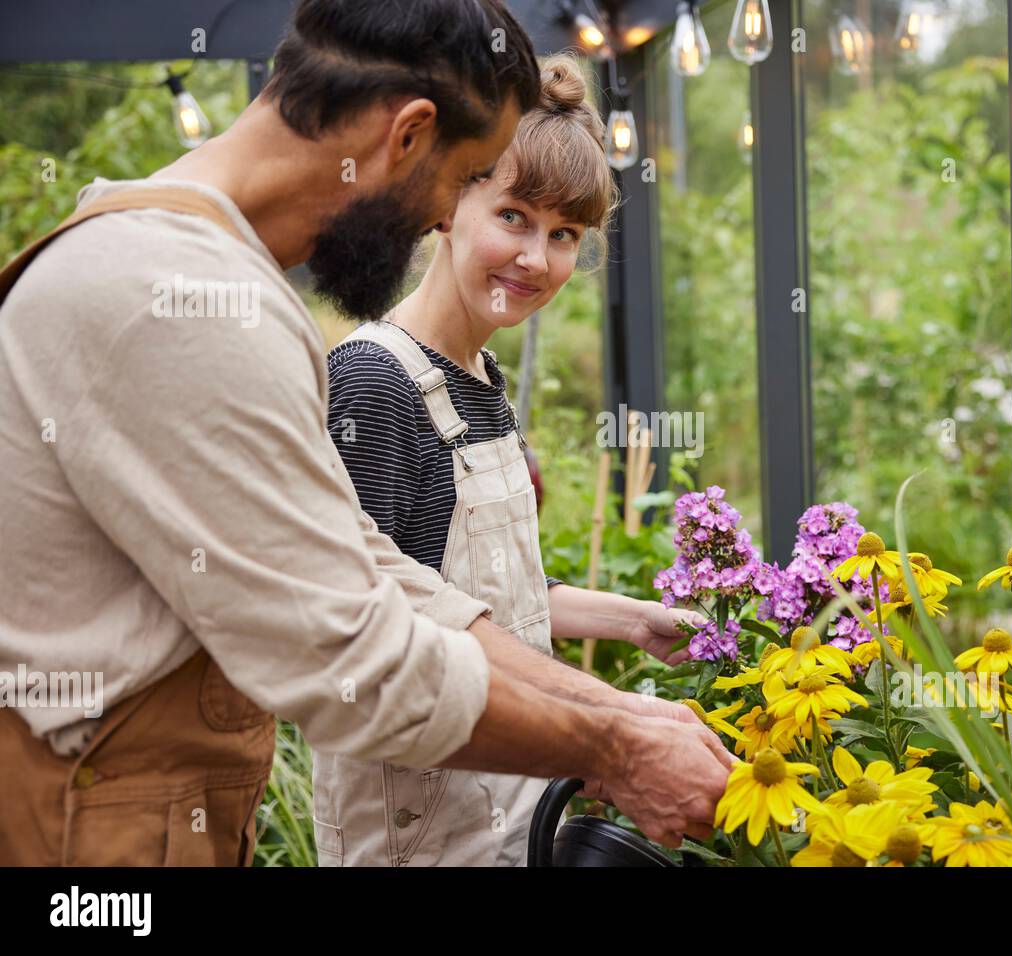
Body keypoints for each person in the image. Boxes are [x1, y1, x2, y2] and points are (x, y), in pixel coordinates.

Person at [0, 0, 730, 866]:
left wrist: (622, 713)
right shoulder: (174, 296)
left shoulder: (197, 265)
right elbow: (351, 656)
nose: (438, 219)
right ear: (410, 135)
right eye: (466, 180)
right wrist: (616, 752)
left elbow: (376, 571)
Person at [315, 54, 701, 866]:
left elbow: (479, 596)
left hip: (510, 817)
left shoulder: (477, 381)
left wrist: (637, 622)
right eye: (515, 217)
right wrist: (613, 722)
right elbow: (371, 616)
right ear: (448, 202)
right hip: (417, 833)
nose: (538, 259)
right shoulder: (374, 385)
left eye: (564, 235)